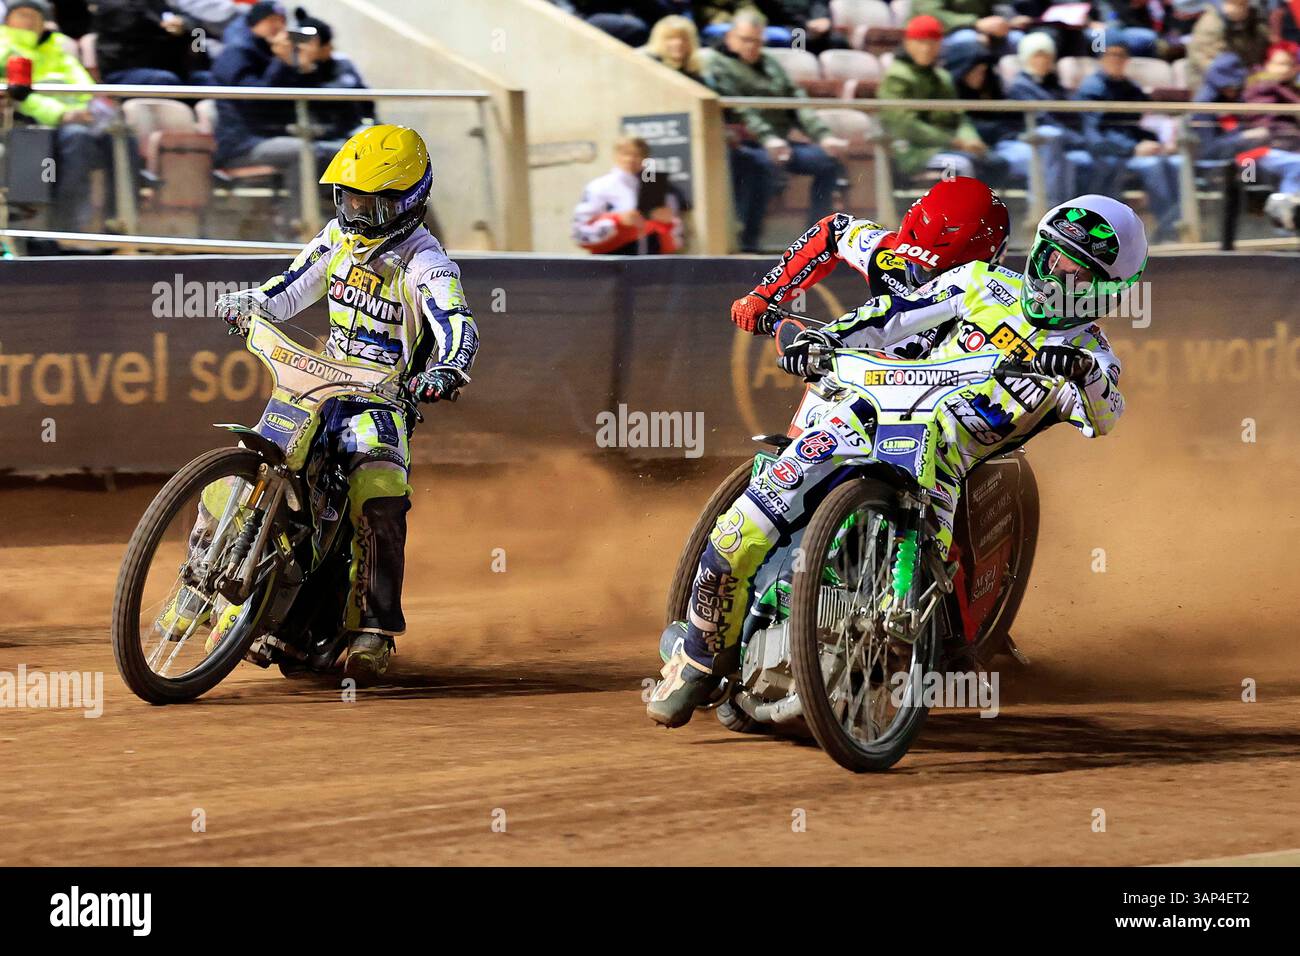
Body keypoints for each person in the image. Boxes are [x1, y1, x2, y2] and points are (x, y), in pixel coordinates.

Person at [649, 194, 1146, 726]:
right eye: (1056, 261)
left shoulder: (1091, 355)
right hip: (864, 416)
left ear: (1106, 293)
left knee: (913, 610)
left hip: (943, 470)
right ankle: (698, 660)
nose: (1058, 281)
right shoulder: (981, 283)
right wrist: (823, 340)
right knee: (736, 533)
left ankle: (888, 667)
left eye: (1079, 276)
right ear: (1039, 251)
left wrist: (1078, 370)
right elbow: (890, 317)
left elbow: (1104, 415)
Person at [209, 125, 478, 684]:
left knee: (377, 490)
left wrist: (450, 366)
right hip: (314, 382)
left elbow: (457, 323)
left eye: (369, 205)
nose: (356, 215)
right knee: (243, 466)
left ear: (407, 203)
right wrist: (251, 301)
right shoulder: (336, 237)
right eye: (349, 200)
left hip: (380, 399)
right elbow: (290, 287)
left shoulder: (427, 263)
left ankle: (374, 627)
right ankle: (204, 583)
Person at [728, 177, 1011, 337]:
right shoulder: (885, 254)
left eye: (937, 272)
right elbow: (833, 229)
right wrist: (765, 295)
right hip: (865, 381)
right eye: (916, 265)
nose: (922, 280)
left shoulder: (1005, 299)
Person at [706, 9, 849, 252]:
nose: (752, 46)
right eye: (745, 40)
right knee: (760, 165)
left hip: (781, 142)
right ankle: (749, 243)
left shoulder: (770, 63)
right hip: (743, 143)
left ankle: (815, 239)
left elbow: (796, 100)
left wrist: (822, 135)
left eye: (757, 40)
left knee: (828, 161)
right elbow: (740, 108)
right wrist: (767, 138)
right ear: (731, 37)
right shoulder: (718, 64)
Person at [210, 1, 339, 233]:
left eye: (282, 22)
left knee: (337, 153)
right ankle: (295, 228)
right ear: (253, 24)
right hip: (242, 144)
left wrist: (306, 68)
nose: (278, 27)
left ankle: (337, 227)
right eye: (271, 21)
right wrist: (282, 62)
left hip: (273, 137)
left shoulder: (276, 54)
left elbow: (305, 102)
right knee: (304, 151)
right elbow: (254, 100)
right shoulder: (236, 53)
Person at [0, 0, 116, 233]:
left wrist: (84, 110)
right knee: (77, 138)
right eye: (22, 15)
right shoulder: (3, 44)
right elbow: (14, 93)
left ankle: (118, 222)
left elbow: (83, 85)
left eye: (35, 16)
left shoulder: (57, 46)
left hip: (73, 119)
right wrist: (61, 114)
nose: (29, 21)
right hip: (26, 121)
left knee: (119, 138)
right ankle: (68, 225)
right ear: (8, 19)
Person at [1075, 36, 1182, 241]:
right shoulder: (1091, 88)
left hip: (1130, 148)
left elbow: (1134, 126)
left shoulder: (1130, 88)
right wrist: (1133, 149)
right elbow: (1094, 138)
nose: (1117, 59)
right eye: (1111, 55)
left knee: (1176, 162)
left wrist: (1158, 143)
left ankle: (1176, 226)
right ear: (1101, 58)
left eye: (1122, 55)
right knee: (1153, 165)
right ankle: (1168, 230)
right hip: (1108, 153)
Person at [879, 15, 1002, 184]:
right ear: (908, 44)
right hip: (914, 151)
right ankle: (957, 211)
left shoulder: (942, 77)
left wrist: (971, 140)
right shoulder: (897, 77)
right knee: (959, 165)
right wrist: (954, 142)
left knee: (996, 163)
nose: (927, 49)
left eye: (933, 43)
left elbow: (959, 118)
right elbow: (905, 126)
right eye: (921, 42)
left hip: (949, 147)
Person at [1005, 31, 1095, 206]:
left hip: (1064, 142)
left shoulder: (1055, 86)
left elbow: (1073, 117)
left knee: (1082, 159)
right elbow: (1042, 119)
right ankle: (1045, 209)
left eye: (1047, 56)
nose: (1043, 61)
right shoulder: (1020, 86)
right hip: (1027, 141)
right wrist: (1076, 138)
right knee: (1049, 134)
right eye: (1037, 56)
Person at [572, 136, 683, 254]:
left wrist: (667, 224)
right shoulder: (599, 187)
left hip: (651, 264)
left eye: (638, 155)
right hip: (612, 264)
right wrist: (617, 221)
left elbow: (676, 241)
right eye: (626, 154)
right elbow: (579, 234)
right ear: (616, 155)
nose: (631, 159)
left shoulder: (657, 188)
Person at [292, 6, 374, 141]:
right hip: (321, 137)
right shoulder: (295, 70)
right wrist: (307, 68)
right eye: (325, 46)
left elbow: (365, 100)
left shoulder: (342, 63)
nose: (331, 49)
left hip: (354, 129)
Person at [94, 0, 207, 85]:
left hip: (171, 70)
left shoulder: (160, 4)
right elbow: (139, 30)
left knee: (207, 79)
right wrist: (167, 29)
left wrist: (184, 25)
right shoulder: (115, 4)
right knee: (165, 79)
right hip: (124, 71)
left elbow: (198, 30)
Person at [1187, 0, 1271, 87]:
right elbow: (1202, 59)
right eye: (1234, 4)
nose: (1239, 9)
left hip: (1248, 78)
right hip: (1211, 80)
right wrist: (1229, 82)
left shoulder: (1255, 22)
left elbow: (1260, 51)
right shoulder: (1211, 23)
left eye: (1243, 4)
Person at [641, 13, 706, 81]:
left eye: (684, 39)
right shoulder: (644, 61)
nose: (678, 43)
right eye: (671, 38)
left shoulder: (695, 76)